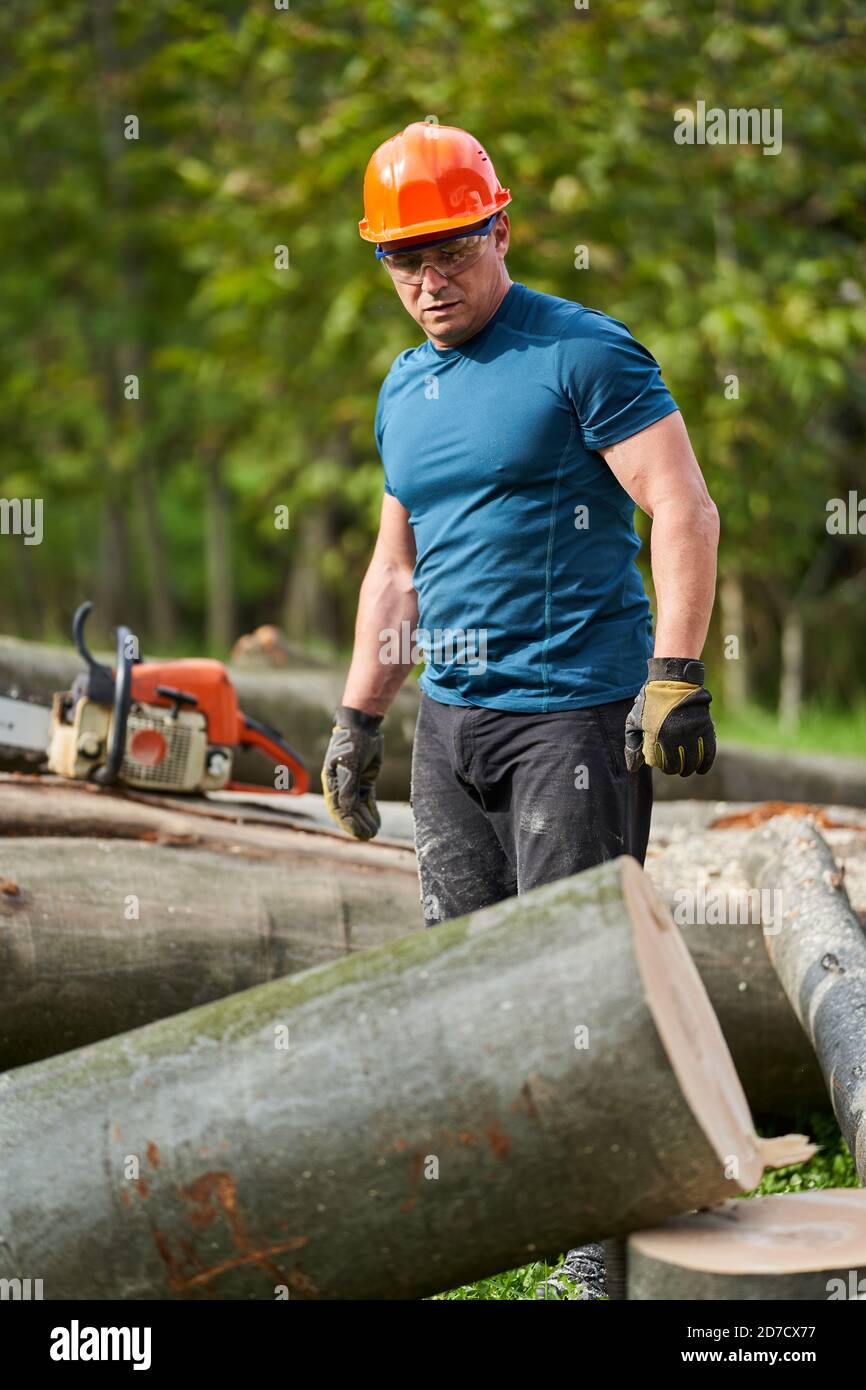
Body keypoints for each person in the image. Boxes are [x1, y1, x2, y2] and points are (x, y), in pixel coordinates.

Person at [322, 121, 719, 1297]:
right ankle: (520, 1226)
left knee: (575, 987)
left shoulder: (580, 353)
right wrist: (357, 717)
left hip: (575, 721)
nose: (428, 281)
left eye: (449, 249)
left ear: (497, 227)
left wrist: (676, 673)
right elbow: (395, 567)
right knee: (468, 983)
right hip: (453, 726)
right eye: (403, 260)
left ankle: (600, 1260)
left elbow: (683, 511)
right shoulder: (403, 385)